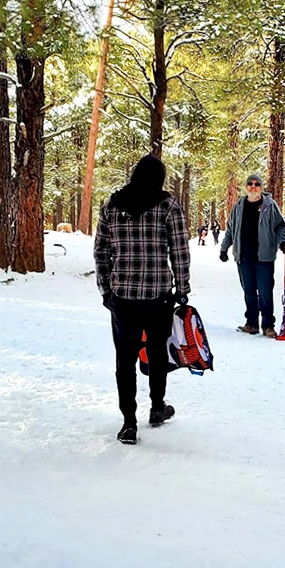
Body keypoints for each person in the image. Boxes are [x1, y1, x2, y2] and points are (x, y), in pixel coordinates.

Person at [94, 154, 191, 445]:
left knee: (125, 359)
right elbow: (180, 252)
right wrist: (182, 289)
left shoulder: (112, 206)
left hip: (122, 299)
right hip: (158, 296)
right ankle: (157, 407)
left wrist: (106, 291)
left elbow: (100, 251)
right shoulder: (168, 207)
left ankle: (128, 423)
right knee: (158, 354)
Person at [219, 172, 285, 338]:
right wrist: (224, 248)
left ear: (261, 187)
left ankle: (268, 326)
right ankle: (251, 324)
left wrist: (282, 242)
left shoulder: (269, 206)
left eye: (257, 184)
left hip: (264, 258)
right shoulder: (239, 206)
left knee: (265, 292)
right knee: (249, 291)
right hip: (244, 258)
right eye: (250, 184)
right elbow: (230, 229)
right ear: (246, 187)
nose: (253, 187)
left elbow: (281, 227)